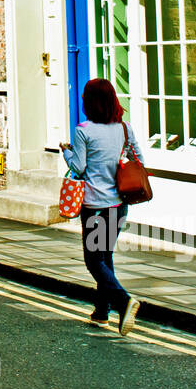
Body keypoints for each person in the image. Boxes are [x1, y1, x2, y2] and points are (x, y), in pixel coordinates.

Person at [61, 78, 143, 336]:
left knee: (94, 260)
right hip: (118, 205)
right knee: (105, 256)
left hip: (95, 206)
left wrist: (66, 152)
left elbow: (79, 167)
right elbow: (139, 158)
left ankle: (123, 301)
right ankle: (101, 313)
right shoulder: (124, 128)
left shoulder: (83, 130)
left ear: (89, 101)